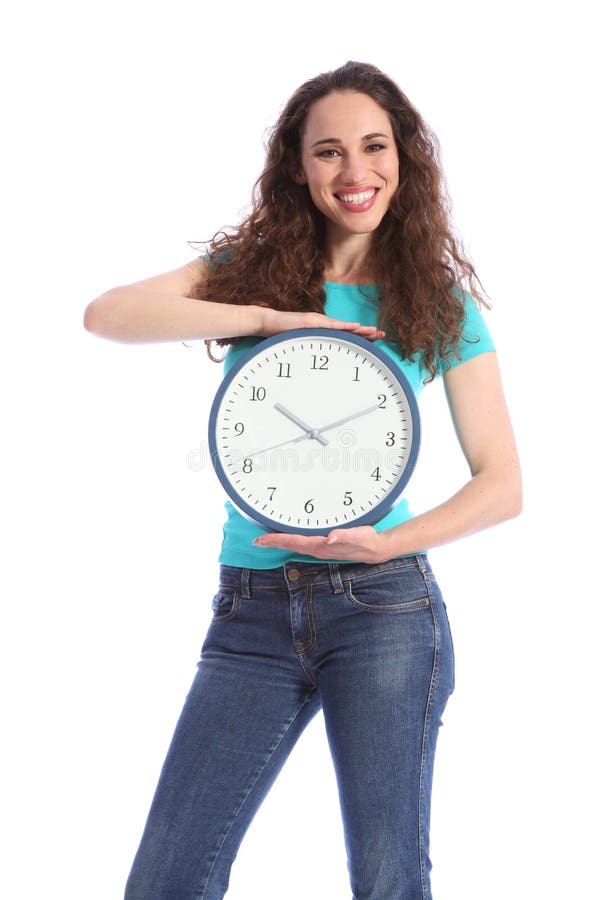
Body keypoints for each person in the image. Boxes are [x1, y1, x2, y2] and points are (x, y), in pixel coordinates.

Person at [84, 61, 521, 900]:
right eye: (328, 152)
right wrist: (267, 316)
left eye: (373, 147)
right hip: (250, 608)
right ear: (297, 165)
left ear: (405, 157)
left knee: (389, 883)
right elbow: (107, 315)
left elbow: (503, 483)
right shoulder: (250, 271)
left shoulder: (436, 302)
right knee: (167, 881)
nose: (354, 174)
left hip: (383, 606)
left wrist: (388, 540)